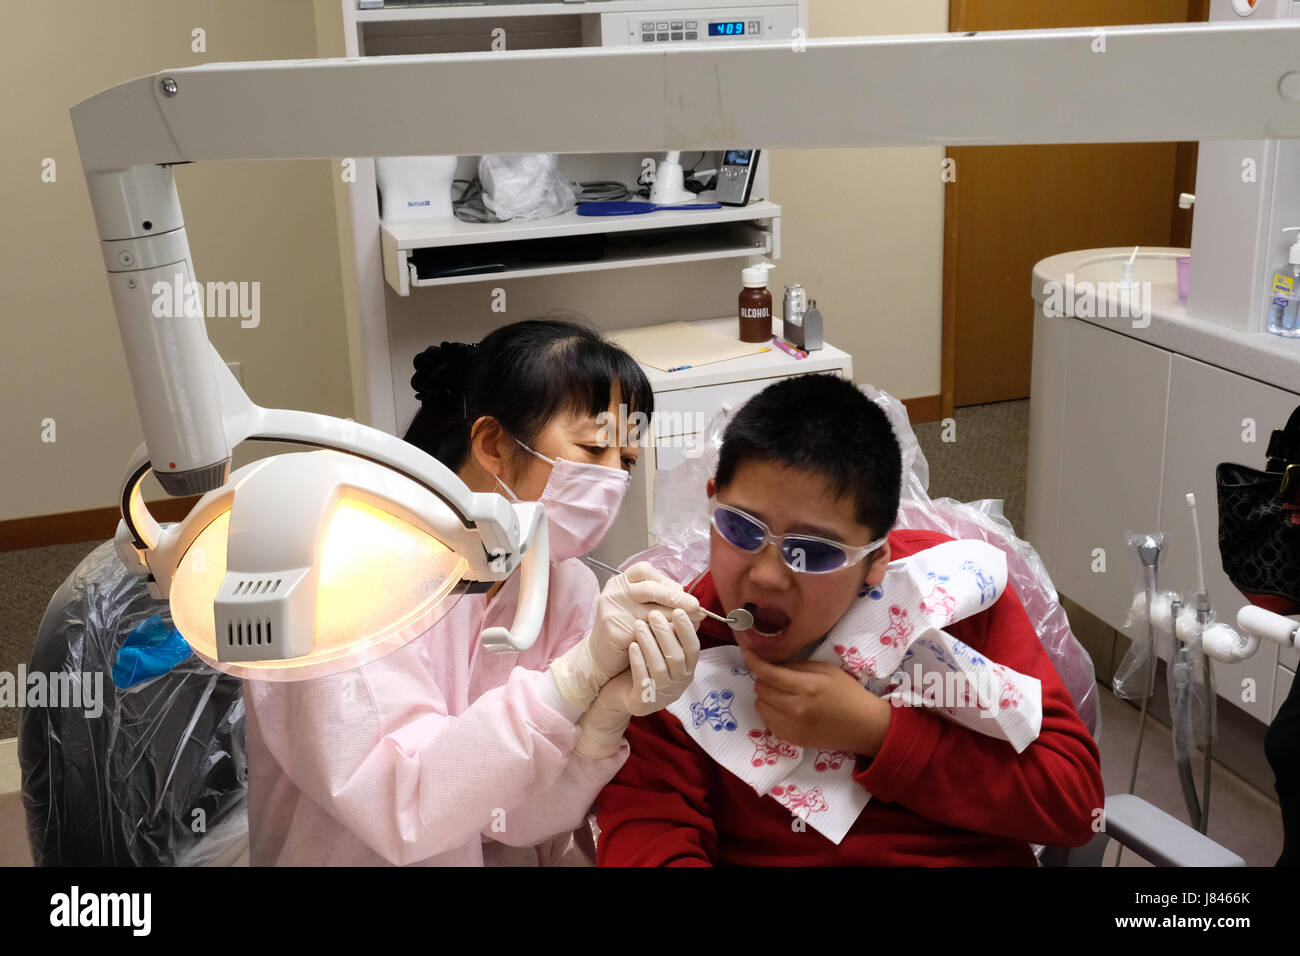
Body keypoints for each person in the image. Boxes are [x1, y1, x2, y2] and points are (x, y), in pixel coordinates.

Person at [595, 374, 1106, 865]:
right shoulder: (675, 654)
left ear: (875, 560)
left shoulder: (945, 592)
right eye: (741, 528)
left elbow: (1076, 804)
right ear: (713, 501)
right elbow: (648, 841)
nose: (768, 576)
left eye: (813, 552)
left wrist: (879, 733)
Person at [244, 318, 701, 866]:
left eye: (625, 461)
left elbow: (513, 820)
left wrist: (601, 726)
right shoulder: (351, 570)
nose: (612, 481)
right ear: (492, 445)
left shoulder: (567, 586)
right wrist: (572, 682)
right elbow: (403, 808)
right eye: (594, 448)